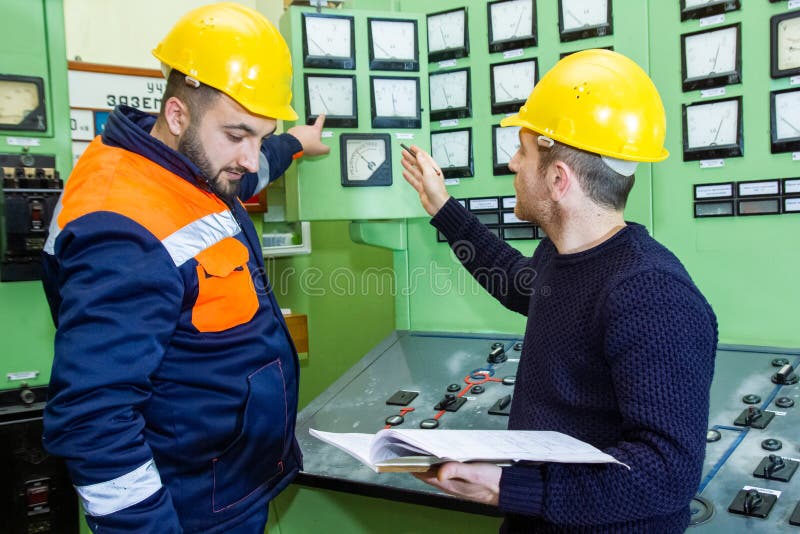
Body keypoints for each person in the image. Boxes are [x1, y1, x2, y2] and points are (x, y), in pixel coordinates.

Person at [401, 49, 718, 533]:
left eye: (522, 151)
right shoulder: (562, 257)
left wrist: (509, 488)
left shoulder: (651, 293)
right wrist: (443, 208)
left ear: (557, 178)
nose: (511, 163)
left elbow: (666, 473)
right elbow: (516, 281)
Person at [40, 3, 329, 533]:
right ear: (177, 114)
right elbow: (94, 422)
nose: (248, 157)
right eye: (239, 134)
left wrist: (294, 145)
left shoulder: (190, 164)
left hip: (232, 482)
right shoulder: (123, 227)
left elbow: (250, 170)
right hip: (190, 505)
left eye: (261, 136)